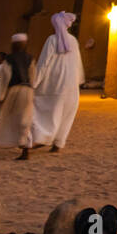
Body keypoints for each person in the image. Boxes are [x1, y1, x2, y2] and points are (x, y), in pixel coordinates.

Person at [31, 12, 84, 153]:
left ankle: (42, 139)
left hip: (54, 85)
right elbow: (78, 63)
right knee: (66, 115)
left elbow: (43, 63)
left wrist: (34, 82)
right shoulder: (73, 40)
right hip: (71, 86)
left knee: (45, 111)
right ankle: (58, 143)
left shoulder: (52, 39)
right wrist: (77, 81)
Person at [0, 34, 36, 160]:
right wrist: (31, 92)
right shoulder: (30, 58)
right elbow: (33, 77)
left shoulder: (9, 60)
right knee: (24, 120)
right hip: (27, 91)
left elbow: (4, 79)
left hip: (13, 91)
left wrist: (0, 98)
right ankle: (25, 150)